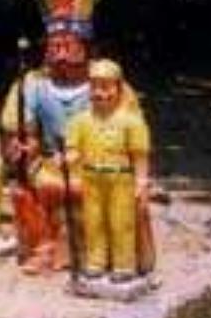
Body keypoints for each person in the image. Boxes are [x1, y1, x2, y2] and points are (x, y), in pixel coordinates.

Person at [0, 0, 135, 273]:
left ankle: (95, 248)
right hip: (50, 164)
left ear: (85, 46)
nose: (60, 53)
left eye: (67, 45)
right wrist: (22, 148)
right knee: (29, 188)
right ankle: (44, 245)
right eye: (54, 46)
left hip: (97, 162)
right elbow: (22, 134)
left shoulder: (105, 82)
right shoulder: (32, 84)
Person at [65, 58, 154, 282]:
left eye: (106, 87)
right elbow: (73, 149)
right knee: (93, 222)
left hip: (120, 179)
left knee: (121, 222)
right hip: (91, 178)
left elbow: (140, 155)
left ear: (119, 88)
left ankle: (123, 264)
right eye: (95, 87)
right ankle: (96, 261)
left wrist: (141, 181)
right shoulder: (80, 121)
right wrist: (67, 159)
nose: (100, 93)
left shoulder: (131, 122)